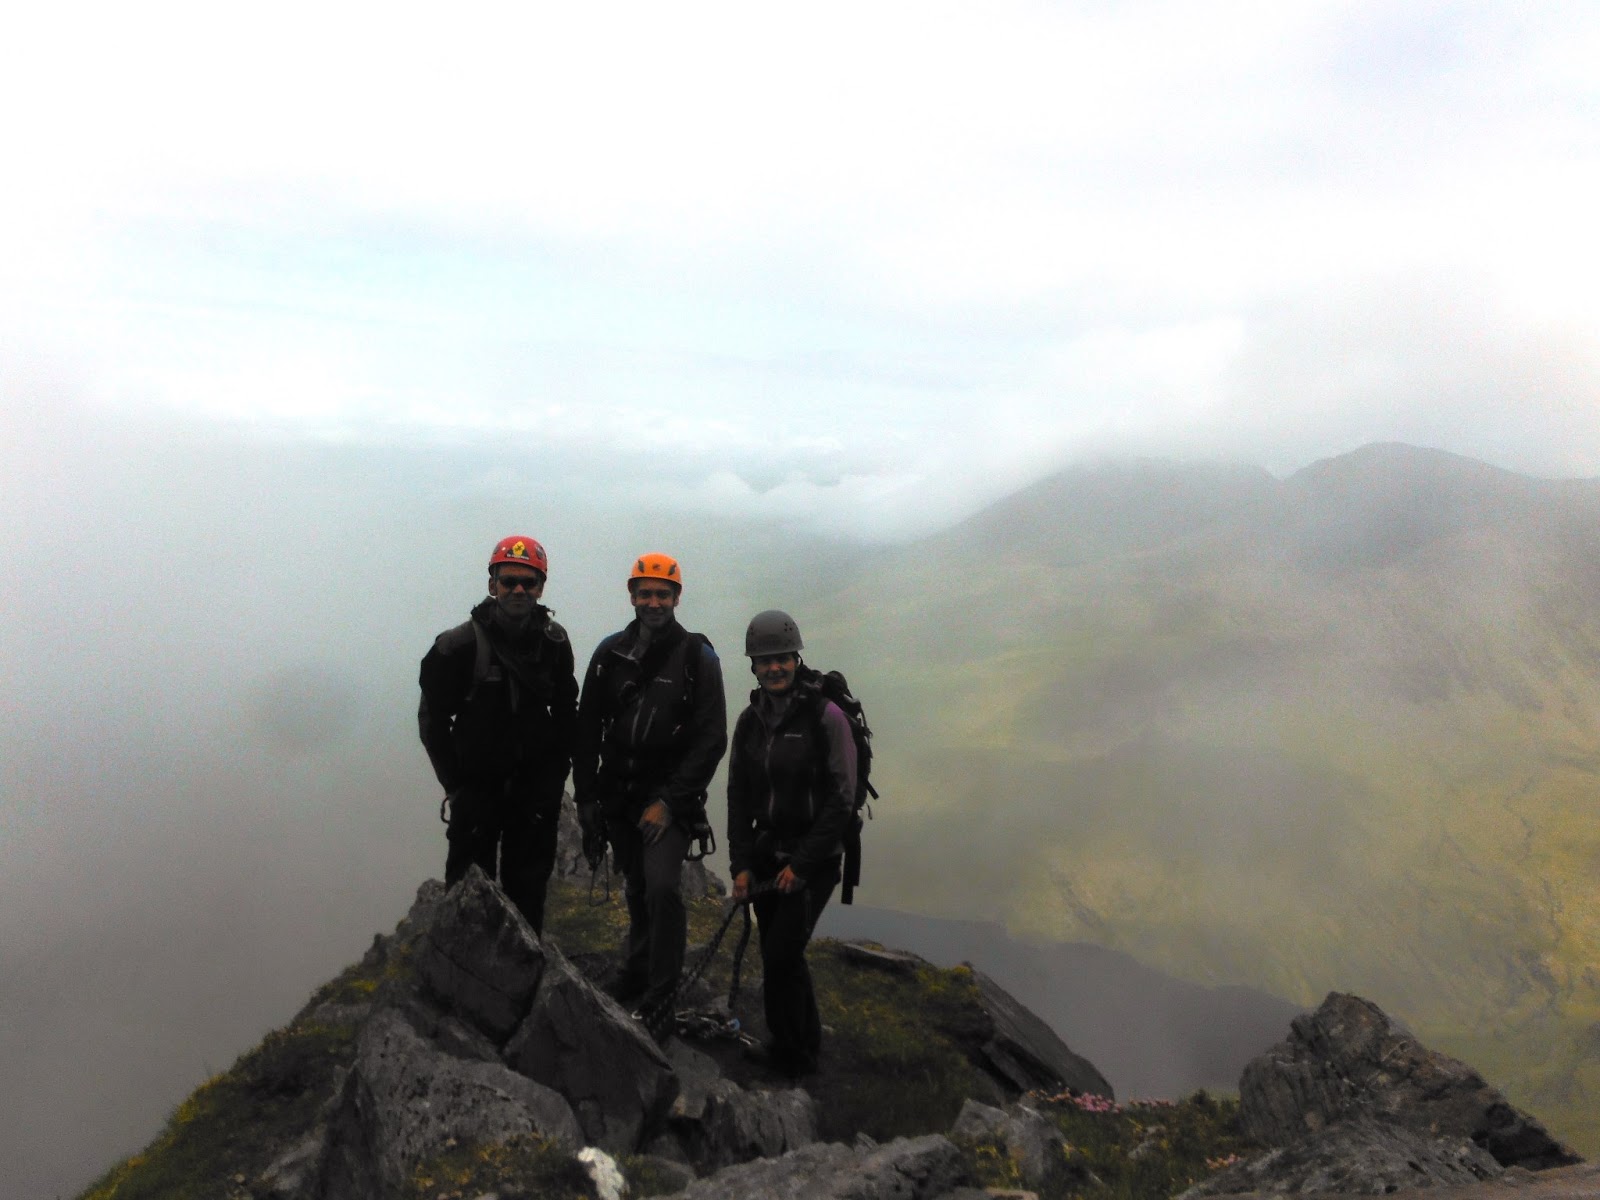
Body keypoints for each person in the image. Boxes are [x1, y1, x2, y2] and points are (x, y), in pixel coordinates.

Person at [572, 553, 727, 1017]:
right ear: (632, 595)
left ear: (677, 597)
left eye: (662, 593)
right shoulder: (610, 653)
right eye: (645, 593)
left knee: (661, 888)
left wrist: (671, 802)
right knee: (638, 888)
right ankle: (638, 970)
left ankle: (662, 989)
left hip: (667, 798)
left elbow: (711, 738)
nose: (653, 601)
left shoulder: (698, 657)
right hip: (618, 793)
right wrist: (586, 797)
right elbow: (586, 728)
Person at [418, 535, 578, 936]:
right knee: (470, 896)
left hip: (533, 794)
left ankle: (520, 982)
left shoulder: (554, 644)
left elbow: (565, 714)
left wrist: (553, 778)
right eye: (509, 582)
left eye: (529, 582)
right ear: (492, 586)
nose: (519, 590)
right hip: (477, 792)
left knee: (528, 895)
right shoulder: (458, 647)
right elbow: (432, 720)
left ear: (542, 587)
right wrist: (456, 785)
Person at [726, 609, 856, 1077]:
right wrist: (740, 864)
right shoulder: (749, 721)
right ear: (754, 666)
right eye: (764, 661)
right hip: (766, 854)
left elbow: (841, 801)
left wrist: (801, 865)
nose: (774, 667)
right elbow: (738, 795)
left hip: (815, 860)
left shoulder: (827, 718)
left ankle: (795, 1052)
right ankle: (800, 1044)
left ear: (796, 659)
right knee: (780, 954)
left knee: (781, 953)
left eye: (781, 658)